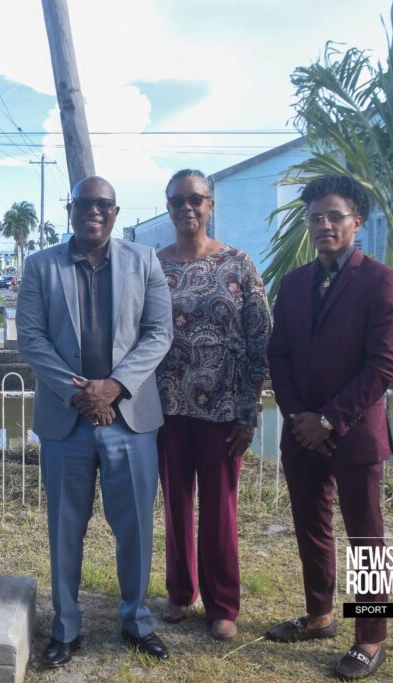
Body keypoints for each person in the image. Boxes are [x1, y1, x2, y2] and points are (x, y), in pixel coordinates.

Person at [16, 176, 174, 668]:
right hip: (69, 421)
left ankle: (136, 620)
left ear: (116, 210)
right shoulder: (41, 265)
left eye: (103, 204)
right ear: (71, 210)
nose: (94, 211)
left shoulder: (144, 260)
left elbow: (158, 332)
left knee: (135, 529)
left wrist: (115, 386)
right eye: (85, 204)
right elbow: (32, 337)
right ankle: (65, 626)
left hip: (129, 418)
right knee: (65, 527)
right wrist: (81, 392)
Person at [266, 175, 393, 681]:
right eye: (315, 218)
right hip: (302, 432)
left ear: (356, 222)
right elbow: (278, 354)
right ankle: (319, 615)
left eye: (334, 216)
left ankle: (371, 638)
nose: (323, 225)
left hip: (354, 434)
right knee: (311, 527)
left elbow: (384, 365)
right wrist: (299, 416)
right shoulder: (294, 283)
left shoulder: (381, 281)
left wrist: (329, 419)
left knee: (367, 538)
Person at [155, 169, 271, 641]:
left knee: (220, 509)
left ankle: (224, 604)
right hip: (167, 408)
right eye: (179, 200)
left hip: (224, 409)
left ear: (211, 204)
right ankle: (182, 593)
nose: (188, 207)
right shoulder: (152, 265)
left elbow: (259, 338)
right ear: (169, 207)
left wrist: (249, 410)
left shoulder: (239, 264)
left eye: (197, 199)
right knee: (176, 504)